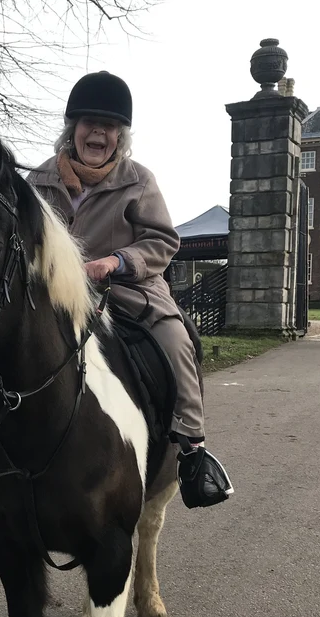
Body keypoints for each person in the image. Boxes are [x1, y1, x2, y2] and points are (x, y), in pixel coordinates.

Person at [25, 70, 232, 509]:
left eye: (109, 125)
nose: (98, 131)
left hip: (129, 291)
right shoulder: (38, 181)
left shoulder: (139, 179)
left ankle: (192, 449)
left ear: (120, 135)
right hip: (56, 294)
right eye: (88, 122)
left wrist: (115, 262)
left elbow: (163, 241)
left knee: (176, 340)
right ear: (73, 128)